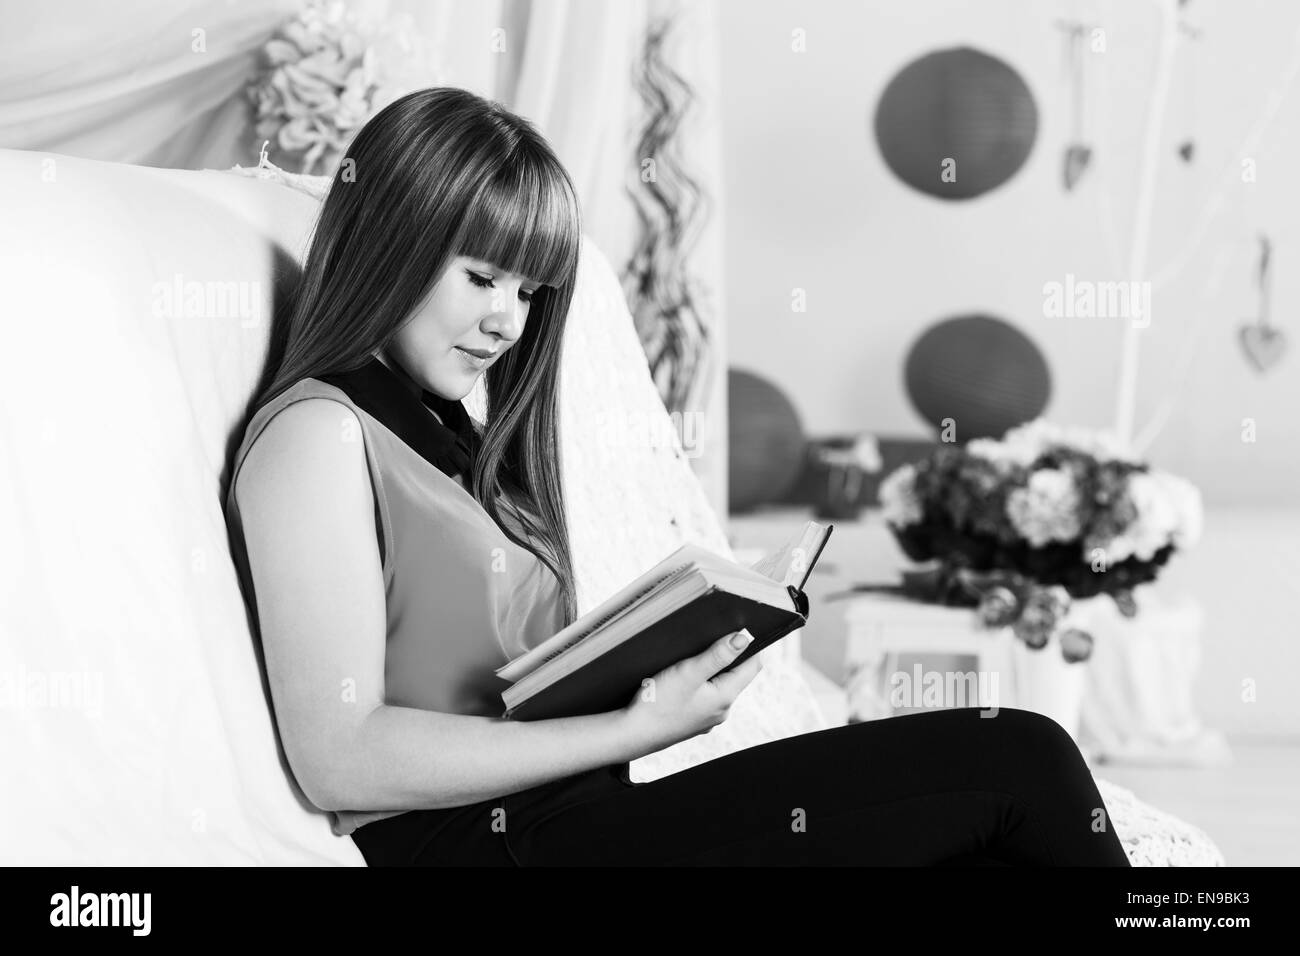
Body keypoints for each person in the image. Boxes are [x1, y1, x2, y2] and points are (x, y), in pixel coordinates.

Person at [223, 87, 1131, 867]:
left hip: (580, 815)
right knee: (1018, 758)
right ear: (389, 243)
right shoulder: (319, 437)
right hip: (492, 848)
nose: (507, 322)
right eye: (481, 277)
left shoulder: (446, 427)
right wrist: (636, 727)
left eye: (529, 291)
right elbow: (339, 754)